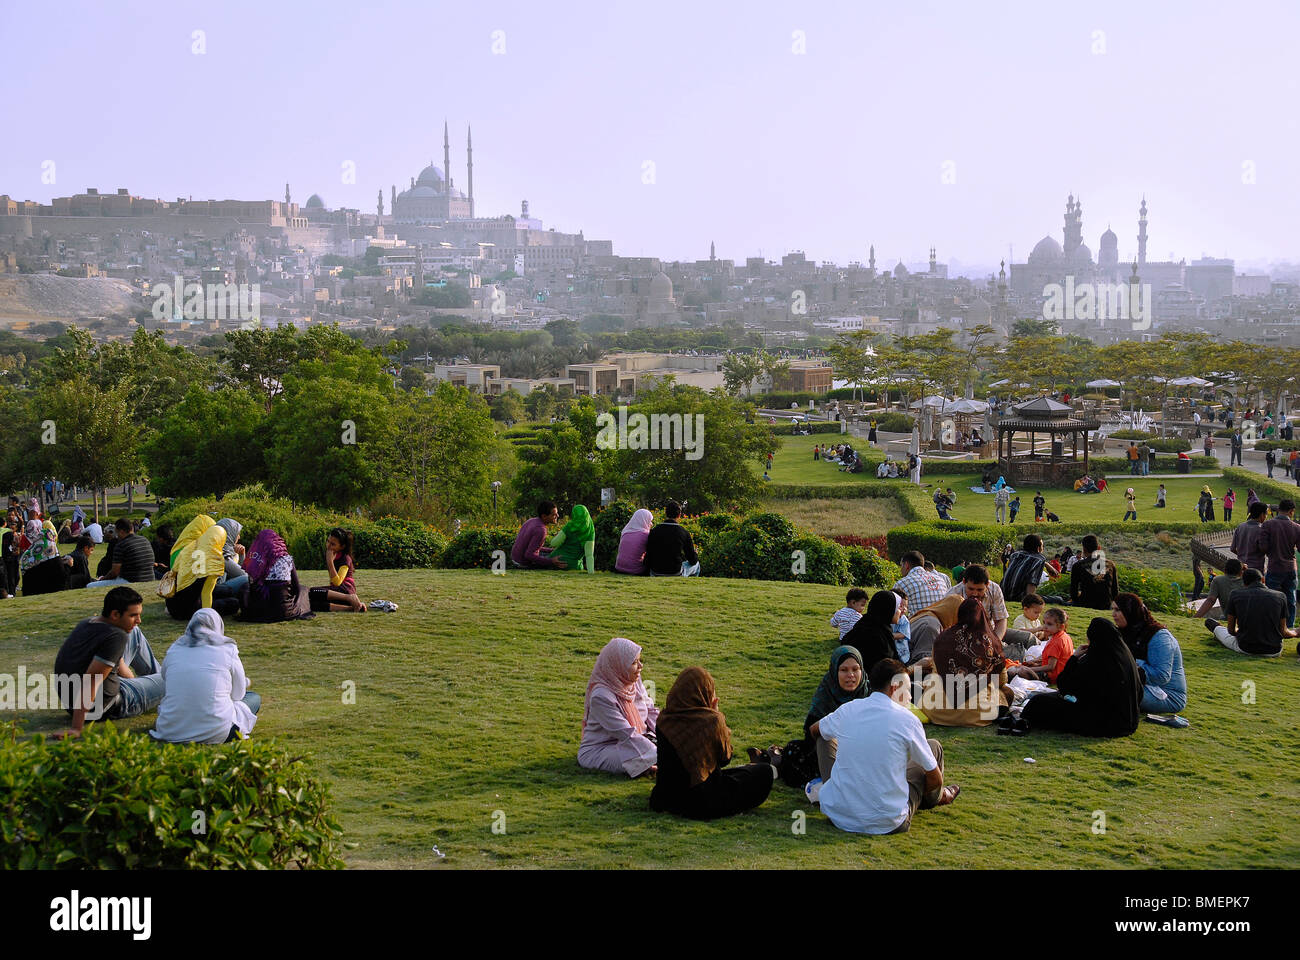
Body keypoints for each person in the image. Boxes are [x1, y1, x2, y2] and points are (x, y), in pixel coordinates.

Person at [809, 659, 959, 834]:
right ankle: (937, 798)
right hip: (887, 821)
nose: (910, 698)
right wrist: (916, 793)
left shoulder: (848, 709)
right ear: (894, 688)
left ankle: (838, 791)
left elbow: (814, 730)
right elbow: (936, 779)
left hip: (839, 815)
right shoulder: (908, 719)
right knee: (934, 747)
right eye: (908, 691)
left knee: (824, 735)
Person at [649, 667, 777, 820]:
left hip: (665, 796)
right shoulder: (711, 721)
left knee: (737, 773)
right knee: (764, 773)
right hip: (702, 801)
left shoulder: (664, 719)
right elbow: (724, 759)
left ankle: (751, 766)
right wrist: (718, 717)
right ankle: (757, 764)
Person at [52, 586, 165, 739]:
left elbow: (116, 661)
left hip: (74, 701)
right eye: (133, 616)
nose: (139, 620)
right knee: (172, 675)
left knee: (135, 632)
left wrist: (136, 682)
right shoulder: (117, 636)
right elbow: (91, 680)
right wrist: (76, 728)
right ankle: (163, 688)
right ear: (115, 614)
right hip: (107, 706)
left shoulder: (87, 623)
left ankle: (155, 685)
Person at [149, 609, 261, 744]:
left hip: (170, 731)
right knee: (253, 698)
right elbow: (238, 695)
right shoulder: (227, 649)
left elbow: (165, 678)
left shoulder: (175, 649)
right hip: (217, 732)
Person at [1019, 618, 1142, 738]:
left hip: (1104, 723)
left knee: (1039, 702)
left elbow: (1065, 686)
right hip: (1129, 721)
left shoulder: (1096, 660)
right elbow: (1139, 692)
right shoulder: (1125, 656)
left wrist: (1074, 658)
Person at [577, 637, 658, 778]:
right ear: (618, 666)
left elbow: (650, 710)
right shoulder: (601, 696)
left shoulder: (632, 680)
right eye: (634, 662)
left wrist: (668, 734)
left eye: (639, 660)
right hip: (603, 748)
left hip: (638, 738)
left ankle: (650, 763)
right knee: (631, 758)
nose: (640, 666)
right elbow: (625, 733)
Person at [1113, 594, 1186, 716]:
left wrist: (1129, 667)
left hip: (1168, 695)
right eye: (1113, 609)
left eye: (1118, 610)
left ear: (1130, 612)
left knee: (1114, 689)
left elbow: (1162, 676)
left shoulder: (1159, 637)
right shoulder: (1126, 632)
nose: (1113, 615)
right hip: (1141, 685)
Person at [803, 645, 868, 780]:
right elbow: (811, 736)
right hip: (831, 756)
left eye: (855, 669)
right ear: (834, 671)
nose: (851, 675)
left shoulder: (871, 695)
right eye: (844, 670)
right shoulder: (825, 694)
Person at [946, 564, 1034, 657]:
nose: (975, 593)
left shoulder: (994, 589)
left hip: (992, 632)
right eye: (971, 589)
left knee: (1029, 639)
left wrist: (995, 642)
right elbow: (948, 630)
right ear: (964, 582)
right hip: (967, 639)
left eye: (980, 590)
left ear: (987, 584)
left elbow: (1001, 620)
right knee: (1015, 653)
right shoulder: (953, 596)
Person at [1207, 568, 1296, 656]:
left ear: (1244, 583)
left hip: (1245, 647)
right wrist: (1295, 632)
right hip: (1274, 650)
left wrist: (1242, 632)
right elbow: (1283, 632)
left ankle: (1217, 626)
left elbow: (1231, 631)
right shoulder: (1280, 596)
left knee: (1213, 625)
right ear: (1263, 579)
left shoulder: (1235, 594)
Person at [163, 516, 231, 620]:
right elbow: (206, 593)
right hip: (191, 609)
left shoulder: (186, 549)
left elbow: (173, 573)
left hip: (172, 605)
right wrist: (207, 617)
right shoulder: (213, 560)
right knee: (232, 602)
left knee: (223, 591)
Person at [240, 528, 312, 622]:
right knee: (303, 590)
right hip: (283, 612)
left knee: (244, 587)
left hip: (258, 612)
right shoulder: (286, 558)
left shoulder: (254, 559)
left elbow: (251, 584)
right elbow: (296, 588)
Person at [842, 590, 908, 672]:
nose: (901, 611)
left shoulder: (868, 624)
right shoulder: (876, 635)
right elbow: (888, 672)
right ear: (888, 609)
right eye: (898, 607)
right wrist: (915, 668)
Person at [1260, 498, 1300, 627]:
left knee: (1271, 598)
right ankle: (1289, 626)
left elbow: (1263, 547)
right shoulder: (1296, 527)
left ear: (1279, 510)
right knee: (1290, 599)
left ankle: (1271, 624)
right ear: (1291, 511)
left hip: (1274, 566)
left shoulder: (1267, 525)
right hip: (1290, 567)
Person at [1008, 608, 1073, 684]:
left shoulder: (1057, 642)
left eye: (1049, 624)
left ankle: (995, 686)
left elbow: (1050, 667)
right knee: (1018, 666)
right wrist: (1034, 661)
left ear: (1061, 627)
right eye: (1044, 623)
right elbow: (1050, 656)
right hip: (1061, 674)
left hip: (1051, 676)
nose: (1044, 626)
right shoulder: (1064, 636)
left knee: (1014, 673)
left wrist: (1030, 669)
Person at [307, 527, 365, 612]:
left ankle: (350, 598)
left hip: (346, 590)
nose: (328, 546)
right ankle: (350, 608)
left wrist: (330, 562)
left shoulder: (345, 559)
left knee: (311, 591)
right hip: (337, 593)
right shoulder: (334, 555)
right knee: (308, 603)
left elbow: (337, 582)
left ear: (342, 546)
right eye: (328, 541)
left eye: (333, 544)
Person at [87, 518, 154, 587]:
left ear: (121, 531)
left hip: (131, 580)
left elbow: (114, 572)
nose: (116, 535)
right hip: (149, 578)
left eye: (117, 532)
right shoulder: (144, 540)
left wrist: (103, 579)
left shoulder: (121, 545)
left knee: (90, 586)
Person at [645, 500, 700, 577]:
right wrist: (695, 554)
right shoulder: (684, 532)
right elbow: (692, 560)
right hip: (675, 571)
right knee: (697, 565)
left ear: (666, 513)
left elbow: (649, 553)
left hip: (655, 570)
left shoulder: (654, 531)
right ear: (679, 515)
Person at [510, 501, 567, 569]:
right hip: (523, 563)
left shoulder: (531, 521)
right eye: (554, 514)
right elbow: (529, 555)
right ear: (544, 516)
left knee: (555, 553)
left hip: (515, 558)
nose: (557, 516)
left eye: (557, 513)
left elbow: (533, 547)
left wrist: (551, 550)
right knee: (562, 558)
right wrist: (551, 561)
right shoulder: (541, 530)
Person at [1001, 534, 1057, 603]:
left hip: (1003, 594)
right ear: (1038, 548)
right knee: (1058, 599)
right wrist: (1029, 600)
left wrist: (1046, 564)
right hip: (1019, 597)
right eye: (1042, 546)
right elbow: (1032, 582)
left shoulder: (1015, 555)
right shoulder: (1039, 560)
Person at [1070, 534, 1118, 610]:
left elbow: (1073, 592)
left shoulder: (1078, 566)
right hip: (1106, 604)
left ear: (1084, 549)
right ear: (1099, 548)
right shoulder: (1110, 565)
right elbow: (1115, 590)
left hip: (1086, 603)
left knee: (1058, 600)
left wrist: (1077, 602)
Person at [212, 518, 248, 604]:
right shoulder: (221, 554)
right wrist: (242, 556)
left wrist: (240, 555)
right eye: (237, 533)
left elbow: (236, 574)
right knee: (248, 579)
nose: (239, 537)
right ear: (228, 534)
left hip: (216, 589)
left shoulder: (216, 549)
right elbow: (244, 574)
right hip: (216, 590)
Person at [1231, 501, 1269, 572]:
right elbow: (1264, 549)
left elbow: (1232, 548)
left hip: (1241, 567)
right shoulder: (1261, 530)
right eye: (1266, 514)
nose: (1266, 517)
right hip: (1256, 569)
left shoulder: (1240, 526)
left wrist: (1242, 556)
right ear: (1262, 514)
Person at [614, 508, 654, 575]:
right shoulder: (645, 535)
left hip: (619, 568)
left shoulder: (625, 532)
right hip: (635, 570)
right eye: (650, 521)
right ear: (644, 520)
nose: (651, 524)